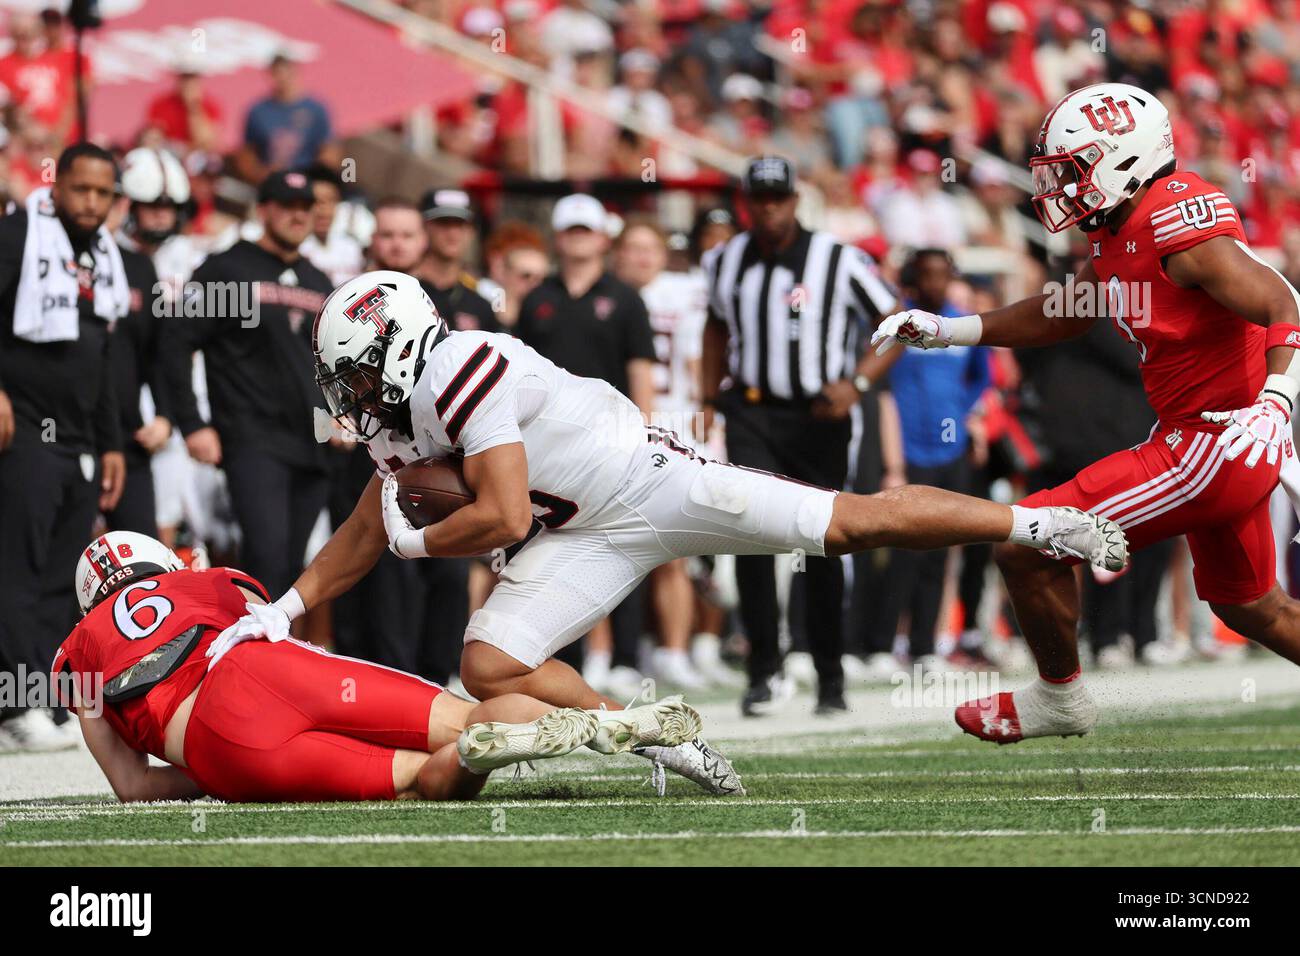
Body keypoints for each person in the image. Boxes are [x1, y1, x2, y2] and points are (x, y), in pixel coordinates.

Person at [219, 269, 1125, 795]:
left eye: (361, 374)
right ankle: (650, 731)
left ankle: (1045, 521)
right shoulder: (392, 414)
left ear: (406, 348)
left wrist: (417, 541)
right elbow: (361, 527)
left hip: (651, 480)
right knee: (489, 665)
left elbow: (492, 515)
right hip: (580, 534)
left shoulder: (464, 363)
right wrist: (286, 609)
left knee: (849, 525)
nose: (355, 397)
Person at [872, 83, 1300, 743]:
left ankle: (1058, 698)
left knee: (1028, 542)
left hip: (1217, 442)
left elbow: (1283, 302)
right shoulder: (1120, 227)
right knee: (1256, 610)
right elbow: (1064, 311)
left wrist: (1275, 403)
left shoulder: (1172, 220)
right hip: (1215, 438)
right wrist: (950, 330)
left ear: (1123, 159)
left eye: (1070, 172)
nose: (1057, 189)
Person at [55, 531, 622, 803]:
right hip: (260, 671)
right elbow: (269, 625)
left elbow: (131, 786)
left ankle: (469, 760)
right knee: (463, 716)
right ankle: (612, 723)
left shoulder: (80, 650)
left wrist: (206, 773)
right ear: (161, 566)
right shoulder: (204, 579)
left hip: (220, 753)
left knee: (418, 780)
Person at [700, 155, 893, 716]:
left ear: (794, 200)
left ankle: (829, 675)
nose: (769, 208)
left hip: (818, 418)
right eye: (759, 199)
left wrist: (856, 382)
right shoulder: (724, 260)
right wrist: (711, 397)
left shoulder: (837, 258)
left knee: (823, 542)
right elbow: (715, 323)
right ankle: (762, 672)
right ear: (746, 203)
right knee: (751, 539)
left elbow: (895, 320)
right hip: (752, 413)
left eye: (778, 198)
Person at [0, 142, 127, 752]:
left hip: (77, 439)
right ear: (56, 185)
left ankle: (45, 701)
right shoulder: (20, 233)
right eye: (81, 189)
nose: (91, 202)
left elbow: (101, 356)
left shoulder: (104, 256)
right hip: (22, 429)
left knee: (61, 578)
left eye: (103, 192)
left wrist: (111, 443)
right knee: (16, 571)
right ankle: (12, 705)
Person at [159, 170, 334, 600]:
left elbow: (335, 363)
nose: (297, 216)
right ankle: (245, 659)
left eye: (306, 208)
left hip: (314, 443)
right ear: (263, 210)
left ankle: (280, 660)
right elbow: (174, 343)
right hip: (253, 439)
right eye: (286, 206)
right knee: (265, 559)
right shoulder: (229, 269)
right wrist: (192, 424)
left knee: (296, 569)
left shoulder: (318, 281)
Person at [867, 249, 989, 670]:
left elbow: (981, 377)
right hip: (907, 450)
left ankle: (923, 647)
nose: (935, 282)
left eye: (943, 274)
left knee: (940, 549)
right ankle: (883, 644)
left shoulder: (961, 325)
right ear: (914, 279)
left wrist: (963, 412)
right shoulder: (902, 327)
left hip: (951, 450)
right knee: (902, 550)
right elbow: (878, 383)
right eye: (927, 275)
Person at [416, 189, 498, 333]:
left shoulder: (481, 305)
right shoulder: (406, 290)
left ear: (471, 232)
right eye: (443, 223)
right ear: (424, 227)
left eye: (460, 224)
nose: (452, 233)